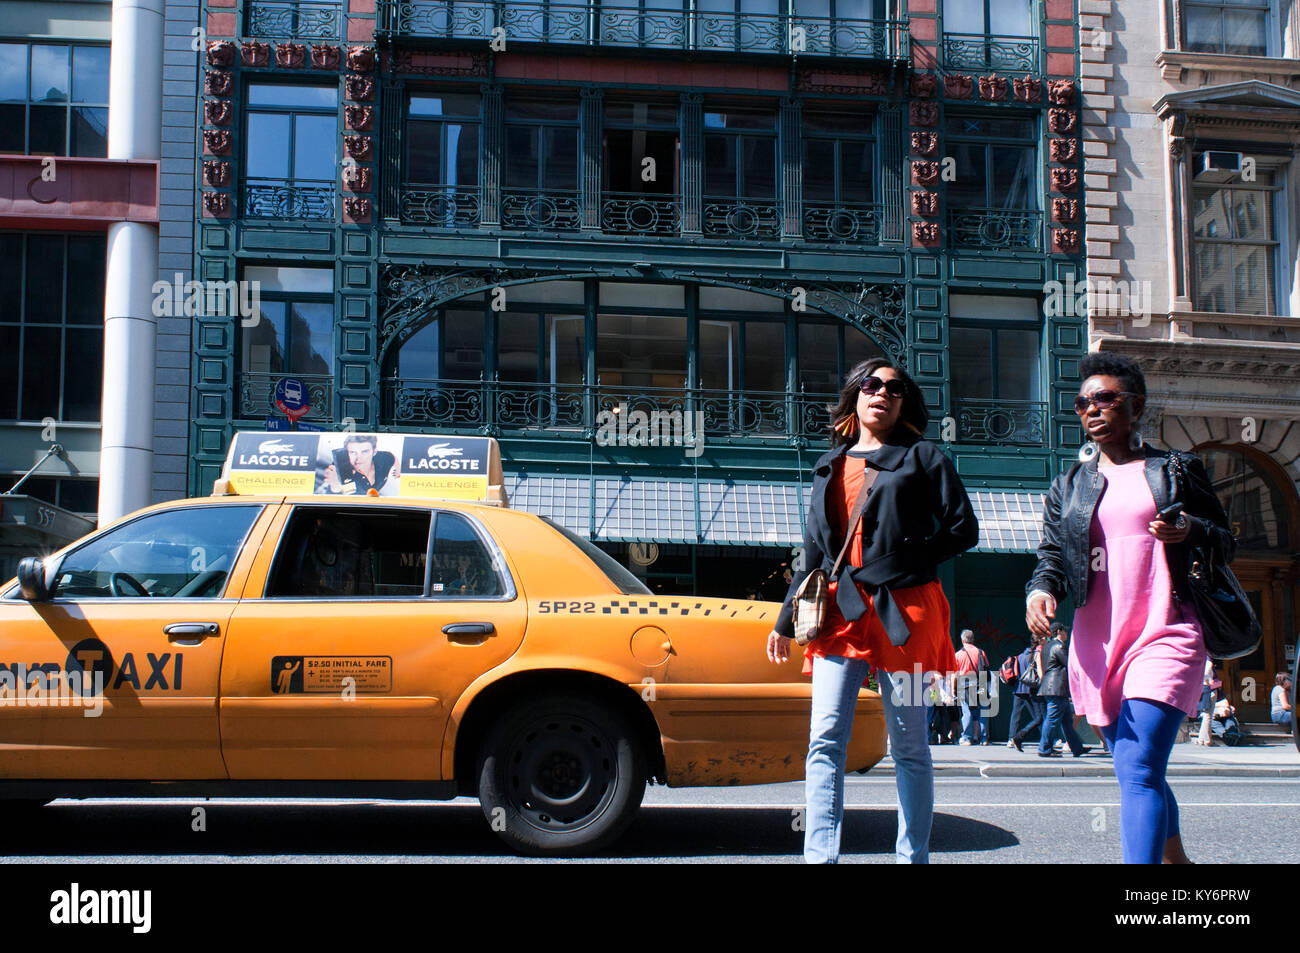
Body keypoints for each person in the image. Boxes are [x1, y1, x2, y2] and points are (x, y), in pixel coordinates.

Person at [766, 358, 979, 863]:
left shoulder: (923, 457)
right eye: (871, 384)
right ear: (855, 396)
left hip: (906, 614)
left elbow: (962, 529)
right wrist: (783, 619)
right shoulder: (828, 465)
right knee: (824, 742)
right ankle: (821, 857)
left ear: (904, 402)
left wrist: (902, 562)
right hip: (838, 615)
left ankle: (913, 858)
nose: (882, 392)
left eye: (895, 388)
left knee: (909, 748)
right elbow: (814, 554)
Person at [1025, 352, 1233, 864]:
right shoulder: (1069, 484)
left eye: (1104, 398)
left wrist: (1191, 531)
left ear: (1135, 405)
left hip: (1167, 631)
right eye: (1082, 402)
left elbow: (1225, 540)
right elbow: (1052, 554)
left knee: (1138, 771)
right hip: (1096, 643)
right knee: (1138, 769)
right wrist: (1039, 590)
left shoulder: (1176, 469)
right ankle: (1178, 863)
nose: (1091, 409)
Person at [1037, 623, 1091, 758]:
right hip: (1057, 688)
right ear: (1059, 631)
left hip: (1051, 687)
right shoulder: (1059, 646)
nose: (1067, 634)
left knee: (1067, 721)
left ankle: (1077, 748)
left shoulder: (1046, 647)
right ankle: (1044, 748)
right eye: (1065, 632)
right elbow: (1069, 664)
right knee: (1052, 719)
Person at [323, 434, 399, 495]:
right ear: (346, 453)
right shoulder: (340, 469)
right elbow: (334, 495)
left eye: (364, 452)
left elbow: (393, 457)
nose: (358, 458)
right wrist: (335, 486)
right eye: (352, 452)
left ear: (374, 451)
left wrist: (398, 469)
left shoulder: (385, 458)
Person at [954, 630, 990, 745]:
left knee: (967, 710)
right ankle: (984, 738)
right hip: (980, 682)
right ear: (973, 639)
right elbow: (986, 668)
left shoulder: (959, 655)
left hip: (965, 684)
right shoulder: (981, 652)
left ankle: (967, 737)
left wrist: (953, 689)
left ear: (963, 640)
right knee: (982, 711)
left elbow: (955, 674)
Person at [1005, 640, 1036, 747]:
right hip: (1029, 689)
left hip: (1018, 689)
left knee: (1015, 715)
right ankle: (1048, 738)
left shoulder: (1019, 657)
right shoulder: (1033, 657)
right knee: (1038, 717)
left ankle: (1011, 738)